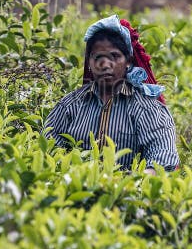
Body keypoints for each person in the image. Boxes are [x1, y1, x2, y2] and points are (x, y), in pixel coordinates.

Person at [44, 15, 180, 172]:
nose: (105, 64)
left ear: (128, 61)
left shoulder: (149, 109)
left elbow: (162, 158)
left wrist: (130, 184)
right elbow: (47, 150)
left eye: (115, 56)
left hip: (129, 193)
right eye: (98, 57)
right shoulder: (69, 106)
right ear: (89, 62)